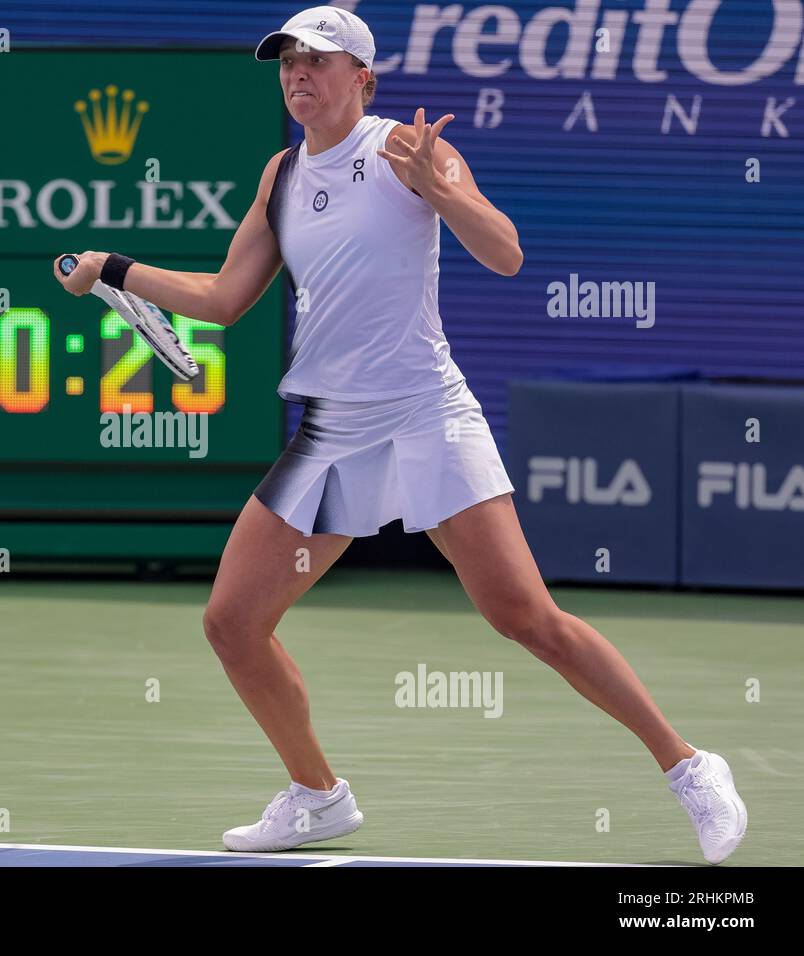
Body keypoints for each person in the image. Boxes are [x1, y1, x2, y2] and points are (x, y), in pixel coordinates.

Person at [54, 5, 747, 865]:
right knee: (233, 622)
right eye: (288, 64)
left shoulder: (407, 151)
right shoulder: (280, 176)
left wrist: (444, 188)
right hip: (333, 430)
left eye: (319, 61)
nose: (299, 75)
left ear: (364, 79)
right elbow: (226, 298)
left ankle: (689, 767)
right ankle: (317, 797)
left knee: (524, 616)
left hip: (426, 414)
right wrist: (116, 268)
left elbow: (507, 254)